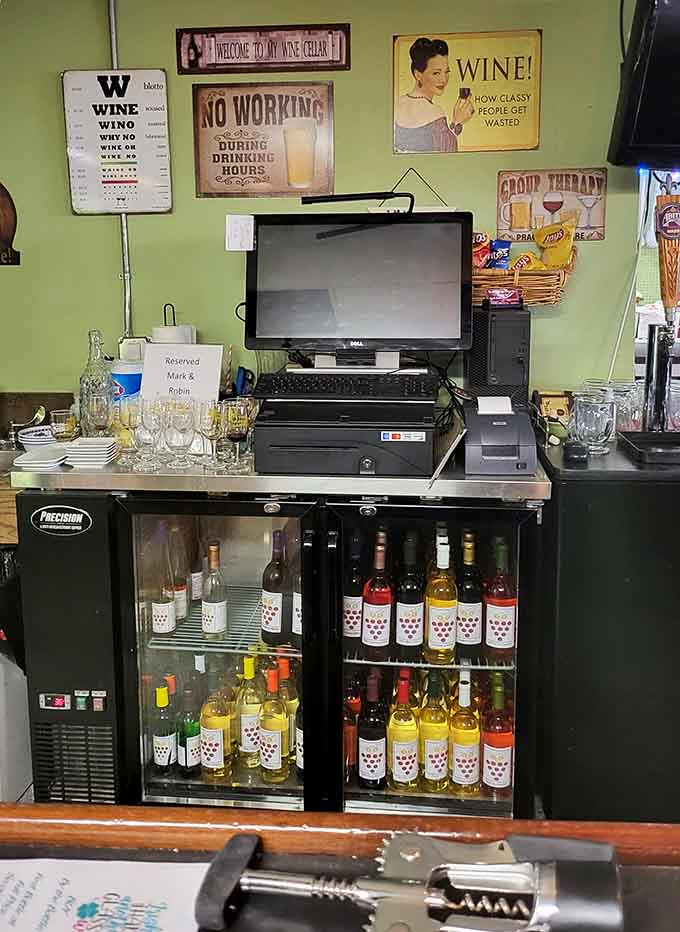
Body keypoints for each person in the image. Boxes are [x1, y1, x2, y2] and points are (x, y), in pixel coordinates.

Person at [395, 37, 475, 153]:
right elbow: (447, 154)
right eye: (436, 73)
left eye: (446, 72)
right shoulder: (435, 112)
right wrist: (457, 122)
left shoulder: (398, 102)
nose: (443, 79)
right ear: (418, 75)